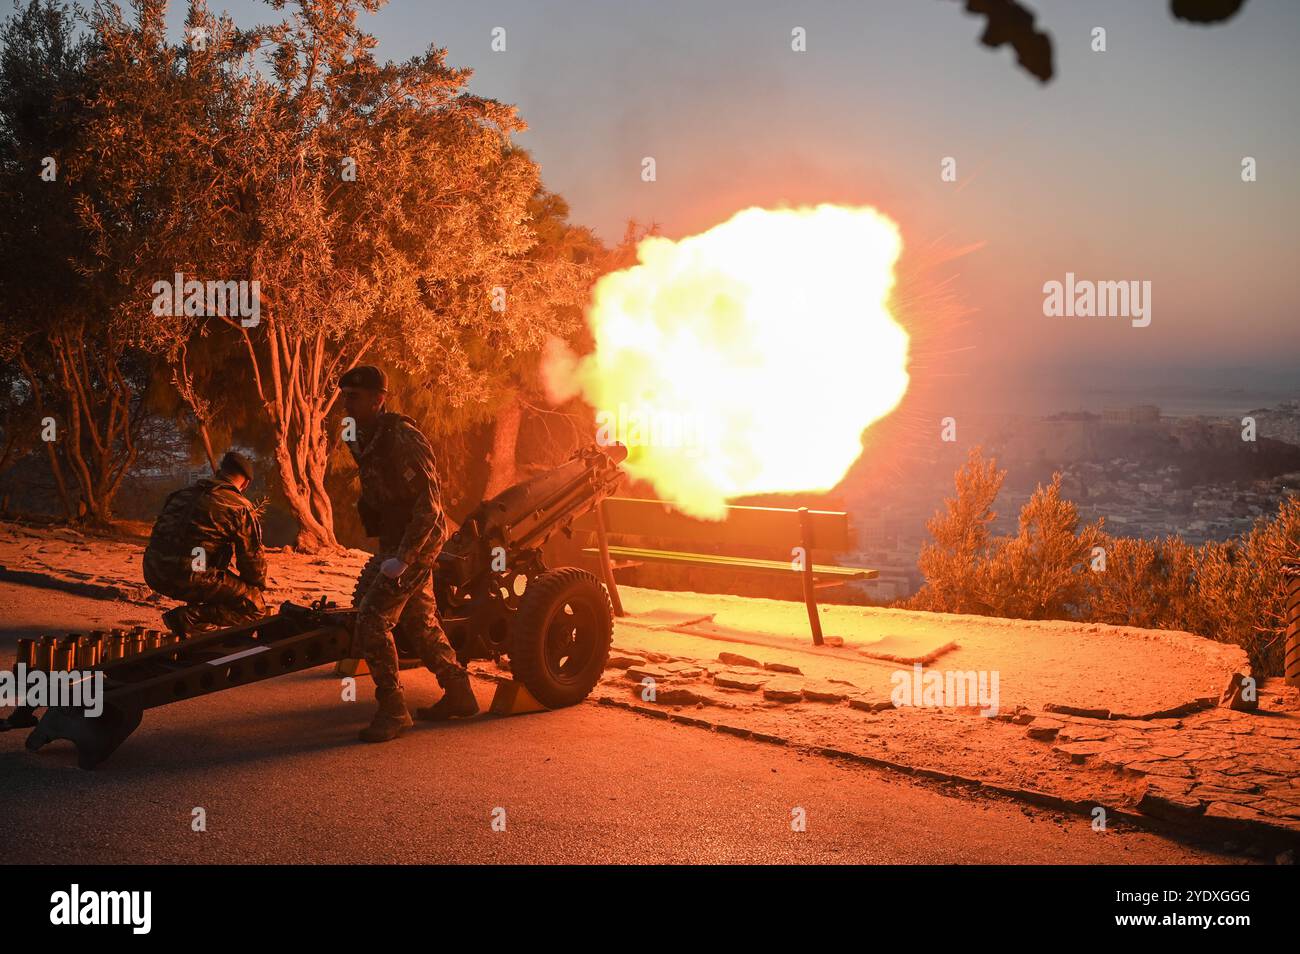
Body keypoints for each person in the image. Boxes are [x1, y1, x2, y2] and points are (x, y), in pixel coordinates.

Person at [339, 364, 478, 743]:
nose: (346, 403)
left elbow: (430, 505)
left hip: (418, 540)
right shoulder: (359, 434)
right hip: (395, 538)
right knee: (420, 621)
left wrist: (405, 557)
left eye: (355, 396)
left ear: (379, 399)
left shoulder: (402, 436)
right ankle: (460, 693)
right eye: (344, 395)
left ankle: (393, 709)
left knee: (372, 618)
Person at [143, 451, 268, 637]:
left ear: (219, 472)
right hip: (191, 575)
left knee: (201, 562)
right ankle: (190, 618)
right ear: (246, 483)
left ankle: (194, 626)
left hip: (153, 572)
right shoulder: (239, 506)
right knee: (255, 607)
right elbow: (252, 560)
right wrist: (254, 590)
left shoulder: (181, 494)